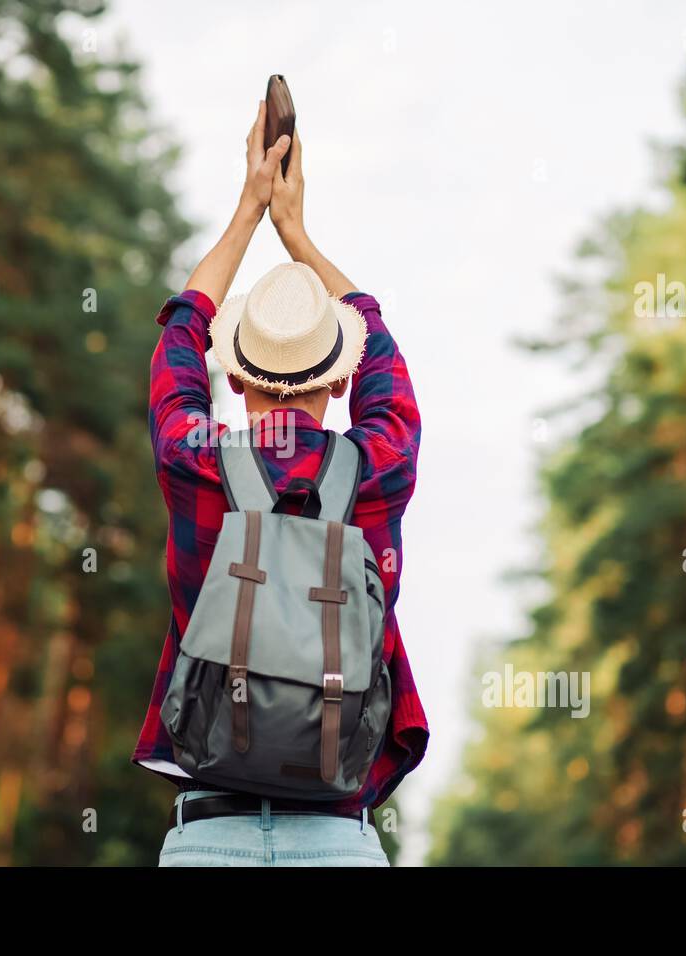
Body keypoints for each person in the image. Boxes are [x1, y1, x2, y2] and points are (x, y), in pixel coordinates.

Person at [131, 100, 428, 866]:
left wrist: (249, 211)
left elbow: (178, 335)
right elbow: (382, 353)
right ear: (337, 384)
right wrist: (300, 235)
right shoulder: (377, 467)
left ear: (232, 377)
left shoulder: (196, 459)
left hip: (209, 838)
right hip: (338, 837)